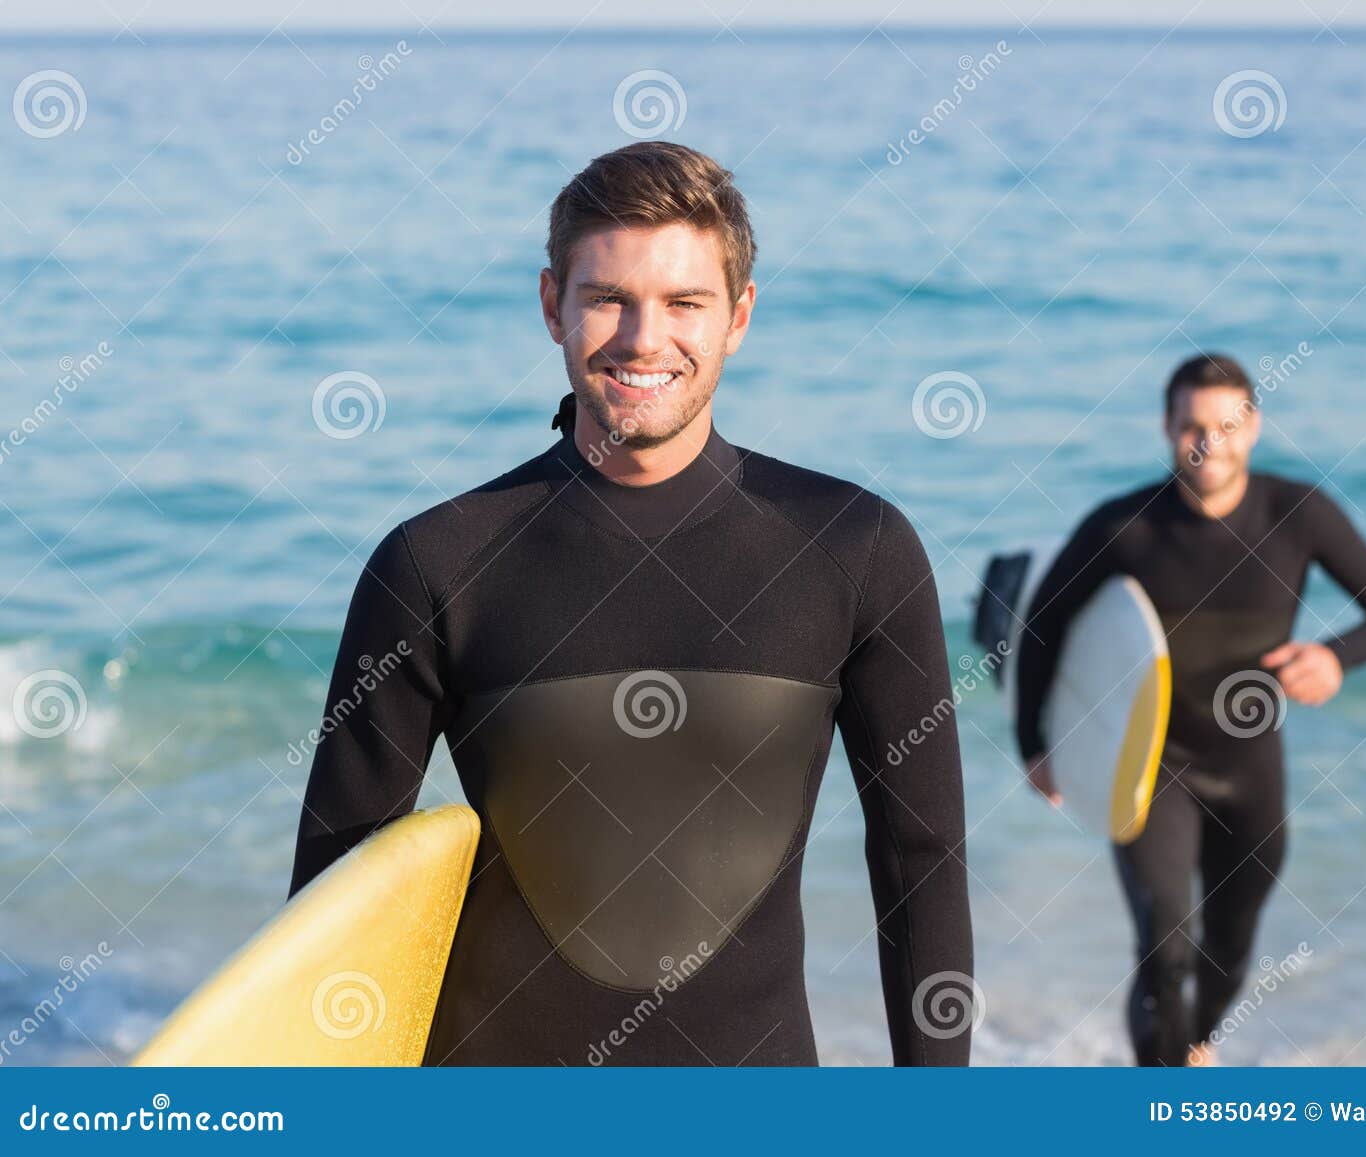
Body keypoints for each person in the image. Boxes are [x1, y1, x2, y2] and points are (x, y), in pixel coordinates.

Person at [289, 142, 974, 1066]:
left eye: (684, 302)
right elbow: (336, 898)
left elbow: (920, 861)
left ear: (738, 317)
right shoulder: (436, 561)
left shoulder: (853, 549)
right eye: (608, 298)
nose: (644, 338)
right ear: (551, 306)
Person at [1015, 353, 1366, 1067]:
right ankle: (1165, 1093)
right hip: (1151, 765)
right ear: (1167, 427)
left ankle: (1194, 1043)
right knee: (1167, 944)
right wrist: (1036, 745)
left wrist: (1335, 656)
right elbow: (1042, 623)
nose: (1209, 443)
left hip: (1250, 768)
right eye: (1191, 426)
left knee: (1228, 950)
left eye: (1226, 425)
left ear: (1254, 425)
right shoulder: (1124, 527)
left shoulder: (1298, 513)